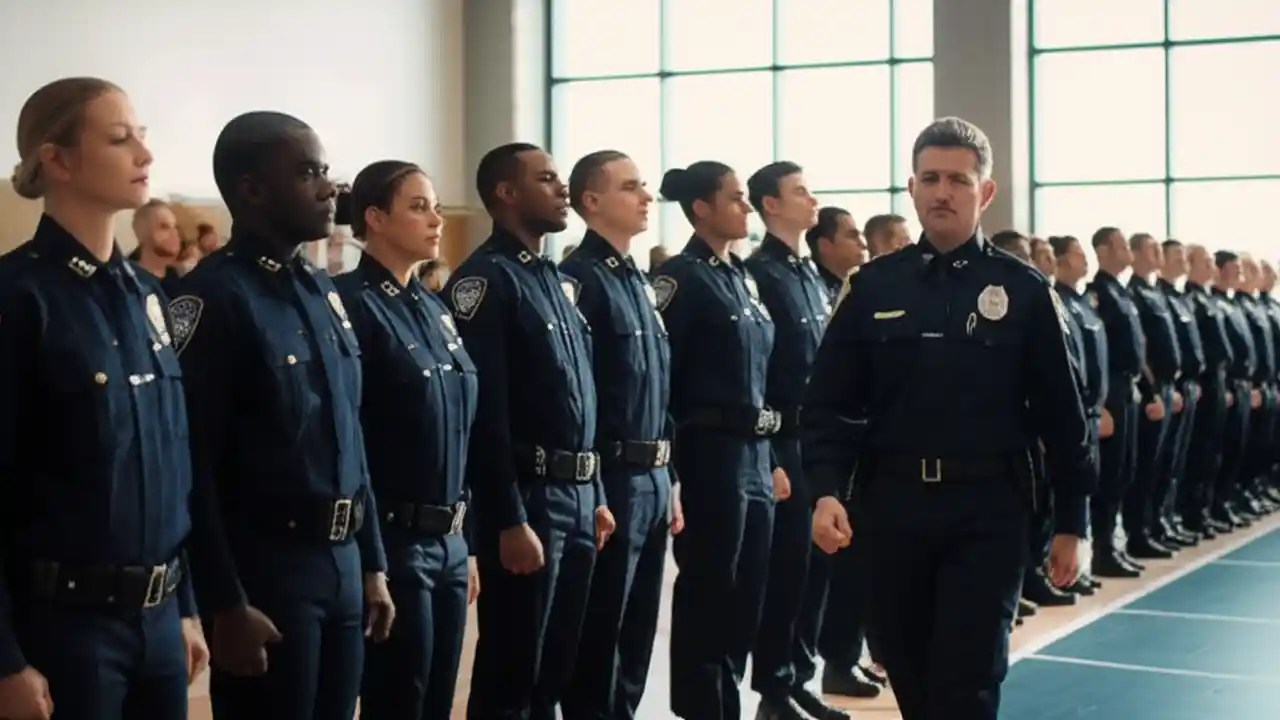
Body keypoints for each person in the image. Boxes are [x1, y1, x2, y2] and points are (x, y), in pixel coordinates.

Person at [805, 117, 1094, 720]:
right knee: (907, 671)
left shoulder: (1025, 290)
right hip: (891, 510)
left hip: (988, 510)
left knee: (967, 680)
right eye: (930, 178)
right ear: (911, 188)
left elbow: (1063, 417)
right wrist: (826, 491)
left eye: (958, 180)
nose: (942, 192)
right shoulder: (871, 288)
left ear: (984, 193)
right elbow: (828, 403)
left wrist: (1074, 522)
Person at [171, 111, 392, 720]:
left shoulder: (322, 290)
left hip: (342, 564)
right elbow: (195, 465)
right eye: (307, 173)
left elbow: (352, 435)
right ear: (251, 190)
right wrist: (222, 600)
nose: (329, 187)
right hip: (268, 570)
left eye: (326, 171)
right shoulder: (213, 297)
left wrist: (372, 562)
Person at [0, 76, 207, 720]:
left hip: (160, 622)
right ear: (55, 159)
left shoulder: (146, 295)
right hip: (65, 629)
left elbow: (171, 470)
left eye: (141, 137)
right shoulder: (19, 297)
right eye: (120, 139)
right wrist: (4, 658)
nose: (144, 155)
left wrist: (187, 605)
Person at [442, 142, 614, 720]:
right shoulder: (485, 281)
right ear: (506, 194)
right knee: (513, 667)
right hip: (530, 498)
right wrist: (508, 516)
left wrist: (598, 493)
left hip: (579, 495)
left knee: (557, 667)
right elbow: (484, 413)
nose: (561, 188)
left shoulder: (554, 280)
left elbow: (582, 397)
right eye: (546, 179)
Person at [333, 161, 480, 720]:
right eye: (418, 206)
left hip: (448, 539)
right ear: (374, 218)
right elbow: (353, 439)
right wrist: (371, 559)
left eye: (437, 205)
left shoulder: (433, 308)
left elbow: (461, 429)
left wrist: (465, 538)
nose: (436, 218)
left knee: (437, 697)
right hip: (393, 536)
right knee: (400, 697)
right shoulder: (350, 304)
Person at [651, 160, 779, 720]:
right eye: (736, 198)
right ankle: (705, 709)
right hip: (709, 454)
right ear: (702, 208)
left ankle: (729, 703)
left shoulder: (741, 276)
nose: (746, 207)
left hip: (753, 455)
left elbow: (759, 376)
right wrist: (672, 469)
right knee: (710, 589)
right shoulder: (681, 279)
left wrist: (771, 459)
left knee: (748, 593)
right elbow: (660, 379)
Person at [558, 150, 681, 720]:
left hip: (653, 476)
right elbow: (582, 399)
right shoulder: (580, 280)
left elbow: (660, 391)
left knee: (636, 629)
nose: (646, 196)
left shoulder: (637, 278)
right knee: (601, 630)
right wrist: (600, 491)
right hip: (613, 475)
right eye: (631, 187)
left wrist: (671, 478)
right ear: (591, 201)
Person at [743, 162, 848, 720]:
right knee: (786, 572)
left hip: (817, 440)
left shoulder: (808, 274)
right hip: (781, 439)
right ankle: (773, 688)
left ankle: (798, 674)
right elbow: (755, 368)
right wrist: (768, 453)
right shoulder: (761, 272)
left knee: (816, 569)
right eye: (801, 192)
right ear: (770, 205)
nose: (813, 199)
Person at [796, 206, 883, 700]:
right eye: (852, 235)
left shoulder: (841, 291)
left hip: (853, 448)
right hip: (809, 447)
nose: (862, 244)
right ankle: (798, 677)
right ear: (823, 243)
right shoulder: (790, 282)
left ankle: (841, 660)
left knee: (849, 571)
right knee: (810, 578)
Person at [1087, 227, 1161, 577]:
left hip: (1129, 387)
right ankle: (1103, 548)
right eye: (1119, 245)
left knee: (1128, 468)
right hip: (1112, 388)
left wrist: (1149, 389)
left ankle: (1122, 542)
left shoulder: (1122, 293)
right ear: (1102, 251)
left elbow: (1140, 346)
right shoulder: (1099, 293)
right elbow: (1099, 353)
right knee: (1112, 470)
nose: (1125, 251)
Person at [1048, 235, 1110, 596]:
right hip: (1074, 409)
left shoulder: (1083, 302)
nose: (1083, 260)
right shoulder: (1056, 302)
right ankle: (1050, 572)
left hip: (1090, 408)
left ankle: (1086, 559)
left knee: (1103, 481)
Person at [1123, 234, 1182, 559]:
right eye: (1153, 249)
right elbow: (1139, 350)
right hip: (1150, 391)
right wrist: (1152, 392)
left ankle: (1158, 522)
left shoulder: (1155, 294)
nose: (1158, 254)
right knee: (1145, 467)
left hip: (1169, 388)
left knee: (1166, 463)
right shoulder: (1134, 294)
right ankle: (1139, 531)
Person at [1181, 245, 1235, 537]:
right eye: (1205, 262)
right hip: (1204, 383)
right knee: (1199, 452)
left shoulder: (1207, 300)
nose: (1211, 267)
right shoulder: (1190, 300)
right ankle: (1192, 512)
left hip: (1220, 380)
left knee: (1214, 451)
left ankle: (1206, 507)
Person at [1156, 240, 1207, 545]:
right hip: (1165, 388)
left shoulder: (1175, 298)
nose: (1184, 262)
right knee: (1159, 463)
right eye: (1179, 256)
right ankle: (1151, 525)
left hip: (1187, 386)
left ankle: (1168, 518)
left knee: (1179, 459)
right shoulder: (1152, 295)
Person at [1212, 251, 1258, 529]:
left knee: (1239, 449)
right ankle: (1208, 508)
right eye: (1236, 268)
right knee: (1213, 452)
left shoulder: (1232, 305)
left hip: (1244, 385)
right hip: (1221, 386)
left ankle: (1227, 500)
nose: (1240, 273)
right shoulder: (1208, 302)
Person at [130, 198, 184, 296]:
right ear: (141, 232)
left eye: (175, 227)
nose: (174, 233)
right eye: (164, 227)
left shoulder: (174, 276)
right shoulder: (128, 282)